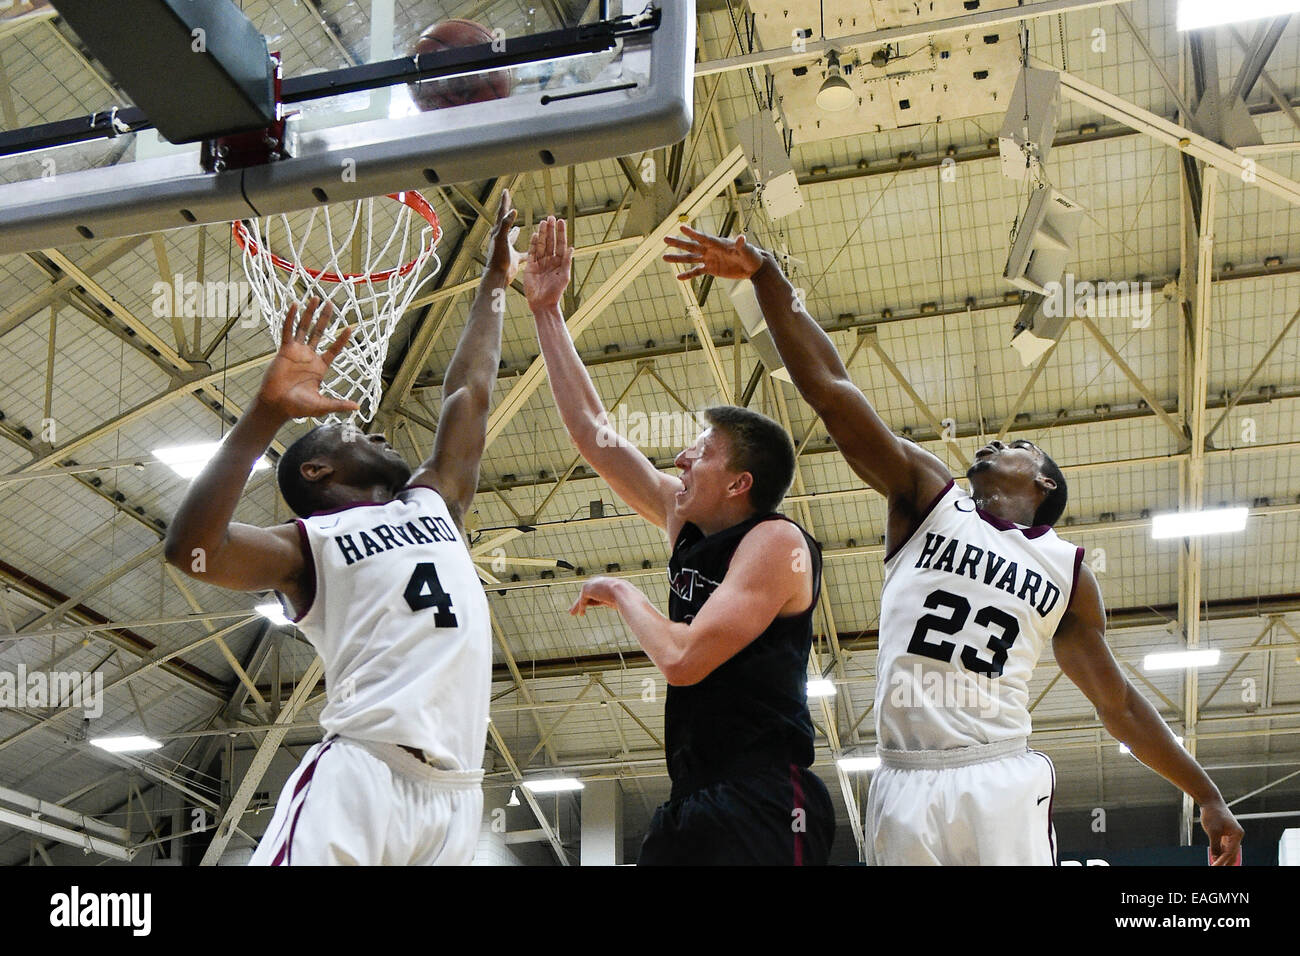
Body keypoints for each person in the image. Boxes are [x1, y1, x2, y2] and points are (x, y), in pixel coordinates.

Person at [663, 225, 1245, 866]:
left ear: (1044, 482)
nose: (996, 445)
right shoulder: (926, 496)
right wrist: (768, 277)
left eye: (1018, 447)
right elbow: (831, 390)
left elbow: (1119, 704)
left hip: (996, 770)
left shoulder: (1067, 571)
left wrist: (1207, 793)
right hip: (903, 776)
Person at [164, 193, 522, 866]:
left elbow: (469, 392)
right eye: (348, 430)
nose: (376, 427)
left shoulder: (432, 503)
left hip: (458, 794)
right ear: (319, 470)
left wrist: (495, 283)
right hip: (364, 774)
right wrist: (267, 412)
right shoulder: (307, 547)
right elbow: (193, 551)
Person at [523, 216, 835, 865]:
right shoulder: (686, 518)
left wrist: (621, 592)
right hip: (693, 795)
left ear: (739, 483)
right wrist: (547, 312)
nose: (684, 456)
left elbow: (685, 659)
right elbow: (592, 431)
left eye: (705, 451)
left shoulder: (779, 543)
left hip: (767, 795)